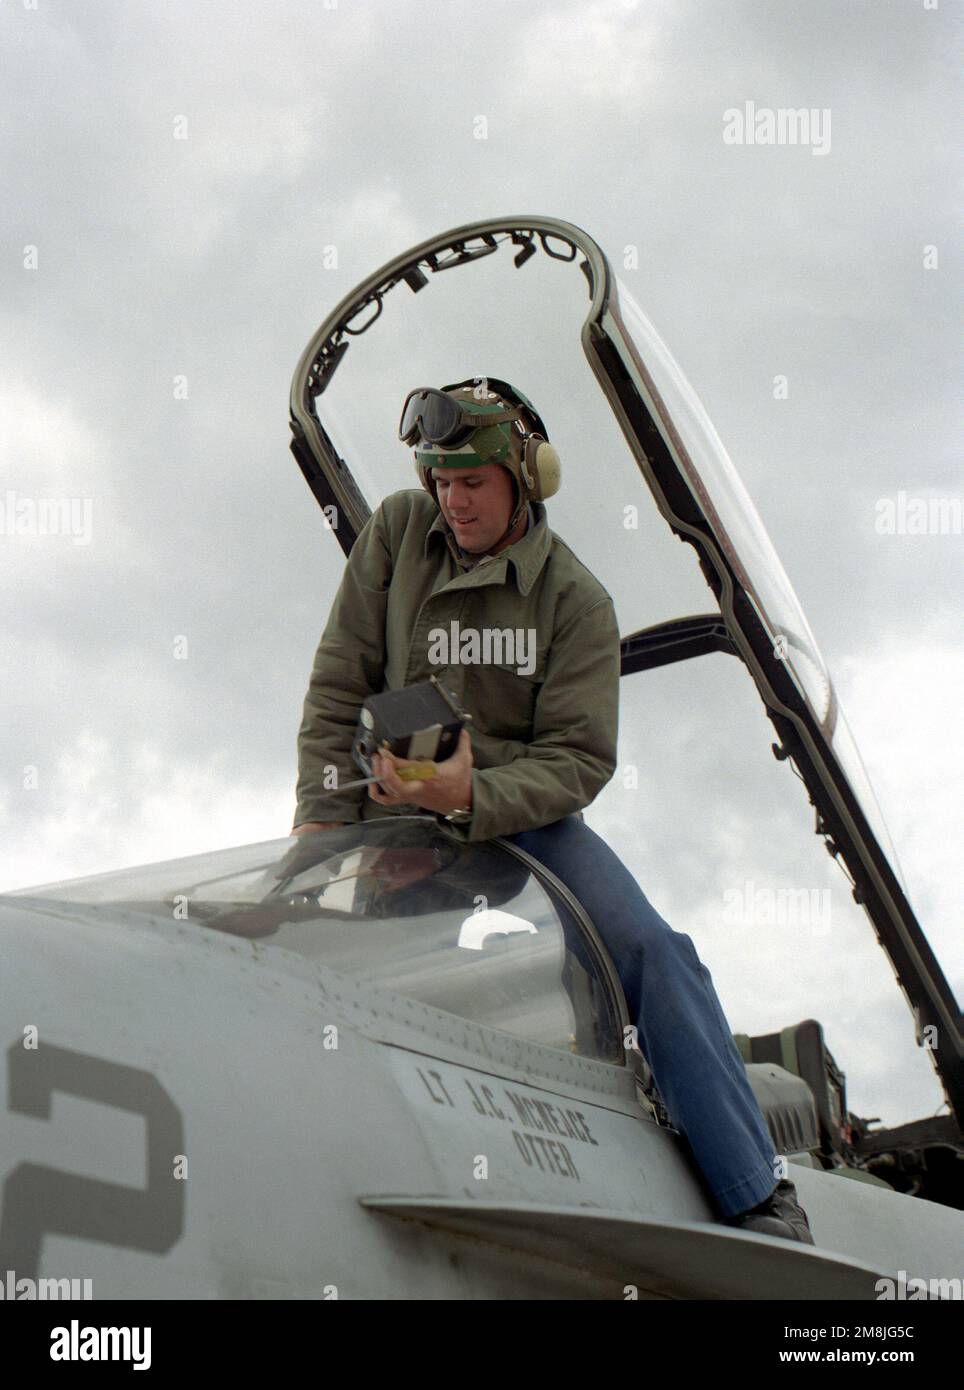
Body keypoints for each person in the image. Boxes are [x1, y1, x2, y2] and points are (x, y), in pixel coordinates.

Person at [291, 376, 814, 1245]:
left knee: (651, 951)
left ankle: (756, 1192)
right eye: (440, 482)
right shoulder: (394, 534)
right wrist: (317, 823)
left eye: (473, 483)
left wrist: (474, 794)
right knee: (326, 958)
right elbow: (340, 676)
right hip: (388, 806)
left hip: (524, 820)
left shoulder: (576, 601)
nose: (452, 502)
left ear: (525, 476)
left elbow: (578, 760)